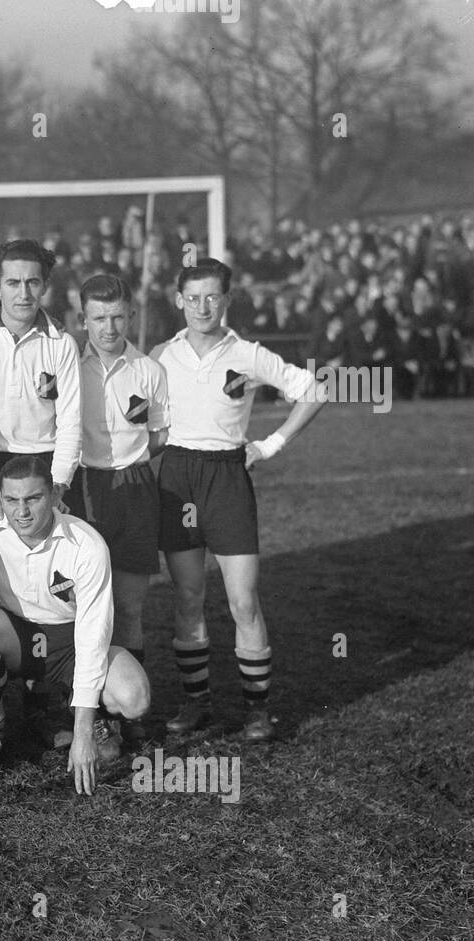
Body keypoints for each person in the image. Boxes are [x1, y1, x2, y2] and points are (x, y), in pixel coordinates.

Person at [150, 257, 328, 742]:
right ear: (178, 300)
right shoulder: (160, 355)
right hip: (178, 477)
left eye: (212, 297)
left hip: (228, 477)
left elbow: (313, 389)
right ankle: (195, 704)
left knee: (243, 600)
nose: (202, 306)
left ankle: (256, 709)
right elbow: (147, 422)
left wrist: (270, 445)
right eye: (193, 297)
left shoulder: (248, 353)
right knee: (187, 597)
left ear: (226, 300)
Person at [0, 457, 150, 794]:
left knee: (135, 699)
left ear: (53, 496)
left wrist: (82, 734)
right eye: (11, 500)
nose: (22, 511)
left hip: (73, 638)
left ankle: (91, 717)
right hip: (18, 633)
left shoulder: (86, 544)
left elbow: (93, 636)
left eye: (33, 499)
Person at [65, 272, 169, 748]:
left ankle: (127, 711)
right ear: (83, 319)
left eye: (118, 316)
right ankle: (79, 707)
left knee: (129, 604)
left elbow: (161, 433)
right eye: (99, 318)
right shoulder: (67, 363)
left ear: (131, 315)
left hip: (133, 488)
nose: (109, 327)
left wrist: (133, 463)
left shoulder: (148, 370)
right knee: (78, 603)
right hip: (81, 485)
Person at [0, 239, 82, 524]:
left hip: (45, 464)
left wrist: (57, 486)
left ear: (45, 287)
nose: (23, 294)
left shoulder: (63, 344)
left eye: (32, 282)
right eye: (13, 283)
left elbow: (70, 422)